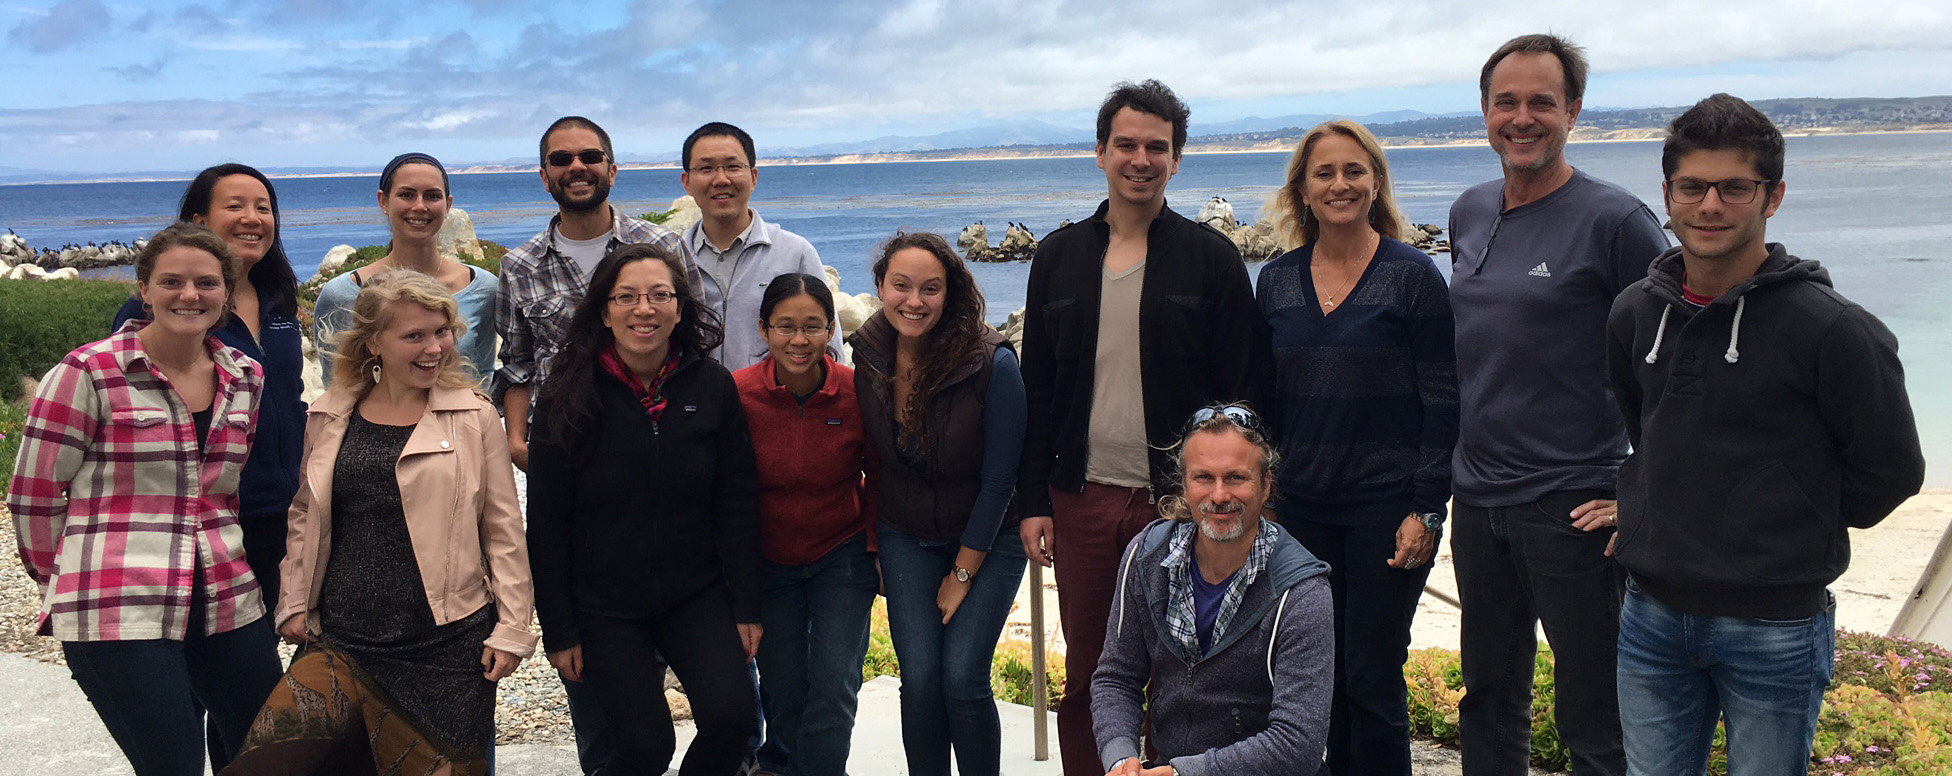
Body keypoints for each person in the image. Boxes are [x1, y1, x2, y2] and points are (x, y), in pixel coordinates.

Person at [1605, 94, 1925, 776]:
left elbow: (1891, 470)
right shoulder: (1635, 313)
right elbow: (1645, 427)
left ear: (1772, 196)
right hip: (1652, 613)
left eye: (1734, 188)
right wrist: (1646, 508)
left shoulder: (1832, 328)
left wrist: (1789, 518)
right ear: (1668, 194)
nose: (1710, 205)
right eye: (1692, 187)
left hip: (1775, 624)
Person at [1017, 79, 1258, 776]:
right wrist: (1033, 500)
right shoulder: (1057, 258)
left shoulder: (1210, 259)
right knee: (1092, 673)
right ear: (1100, 152)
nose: (1142, 159)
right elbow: (1039, 388)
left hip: (1180, 504)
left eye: (1158, 147)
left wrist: (1235, 501)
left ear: (1176, 160)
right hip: (1082, 498)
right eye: (1127, 144)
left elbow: (1242, 392)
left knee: (1189, 677)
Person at [1445, 33, 1670, 776]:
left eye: (1542, 101)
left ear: (1573, 110)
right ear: (1484, 112)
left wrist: (1638, 490)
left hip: (1573, 506)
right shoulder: (1469, 211)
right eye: (1505, 102)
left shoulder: (1616, 221)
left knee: (1593, 715)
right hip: (1478, 503)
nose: (1523, 117)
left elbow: (1681, 369)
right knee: (1487, 698)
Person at [225, 270, 536, 775]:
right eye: (414, 335)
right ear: (373, 342)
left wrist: (512, 629)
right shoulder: (329, 415)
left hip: (448, 646)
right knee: (264, 765)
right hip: (343, 640)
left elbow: (503, 530)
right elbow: (306, 516)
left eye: (442, 331)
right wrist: (294, 601)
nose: (434, 347)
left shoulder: (474, 416)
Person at [9, 223, 283, 776]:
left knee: (268, 746)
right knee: (172, 761)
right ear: (145, 288)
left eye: (206, 283)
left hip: (226, 594)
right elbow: (34, 495)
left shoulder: (244, 377)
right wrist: (67, 580)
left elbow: (221, 493)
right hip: (117, 607)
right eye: (172, 281)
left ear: (226, 293)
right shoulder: (88, 372)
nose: (190, 295)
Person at [1256, 119, 1459, 775]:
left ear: (1374, 182)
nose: (1340, 183)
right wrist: (1264, 502)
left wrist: (1427, 508)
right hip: (1300, 513)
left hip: (1386, 511)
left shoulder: (1412, 277)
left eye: (1353, 171)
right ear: (1303, 190)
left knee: (1371, 678)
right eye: (1325, 173)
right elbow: (1265, 406)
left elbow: (1443, 399)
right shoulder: (1277, 281)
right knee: (1317, 678)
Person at [525, 243, 762, 775]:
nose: (644, 309)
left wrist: (746, 605)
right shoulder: (567, 394)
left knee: (732, 719)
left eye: (660, 296)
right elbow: (545, 522)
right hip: (605, 606)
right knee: (645, 747)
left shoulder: (711, 386)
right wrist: (560, 629)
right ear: (604, 311)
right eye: (626, 297)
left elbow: (738, 502)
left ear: (680, 308)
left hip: (694, 594)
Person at [495, 116, 685, 774]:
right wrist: (519, 440)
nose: (577, 167)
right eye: (562, 159)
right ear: (544, 173)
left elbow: (691, 346)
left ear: (612, 165)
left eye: (589, 156)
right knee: (587, 662)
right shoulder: (518, 265)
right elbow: (515, 366)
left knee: (683, 646)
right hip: (571, 477)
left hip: (660, 473)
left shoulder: (660, 244)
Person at [110, 164, 307, 770]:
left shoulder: (276, 299)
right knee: (195, 679)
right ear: (197, 220)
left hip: (280, 513)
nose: (253, 219)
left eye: (264, 206)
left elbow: (291, 395)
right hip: (205, 523)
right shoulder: (155, 313)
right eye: (235, 206)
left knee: (249, 690)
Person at [848, 232, 1028, 776]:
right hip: (905, 534)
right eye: (900, 286)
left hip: (989, 536)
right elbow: (872, 464)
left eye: (930, 288)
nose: (914, 301)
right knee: (921, 678)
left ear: (950, 293)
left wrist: (962, 572)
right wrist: (879, 545)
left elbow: (1002, 482)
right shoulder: (870, 356)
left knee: (962, 677)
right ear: (880, 286)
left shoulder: (991, 363)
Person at [1092, 404, 1334, 775]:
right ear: (1184, 484)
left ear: (1266, 484)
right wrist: (1121, 757)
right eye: (1204, 477)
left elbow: (1297, 744)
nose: (1219, 496)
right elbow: (1116, 677)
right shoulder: (1145, 556)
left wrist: (1183, 773)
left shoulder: (1302, 590)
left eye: (1236, 478)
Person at [733, 273, 877, 776]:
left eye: (813, 327)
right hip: (768, 561)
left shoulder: (857, 392)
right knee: (786, 688)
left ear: (831, 329)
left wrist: (878, 552)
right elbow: (722, 490)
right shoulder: (738, 394)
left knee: (835, 684)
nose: (799, 340)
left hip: (841, 551)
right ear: (764, 329)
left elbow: (880, 474)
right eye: (786, 327)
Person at [315, 153, 497, 382]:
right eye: (407, 195)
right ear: (384, 201)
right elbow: (337, 385)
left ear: (448, 204)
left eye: (432, 196)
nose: (420, 206)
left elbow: (482, 375)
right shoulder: (342, 295)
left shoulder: (482, 287)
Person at [679, 121, 834, 370]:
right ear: (687, 181)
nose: (721, 179)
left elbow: (829, 346)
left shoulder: (794, 254)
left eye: (732, 167)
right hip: (696, 404)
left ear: (753, 177)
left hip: (774, 404)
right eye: (706, 168)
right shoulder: (673, 258)